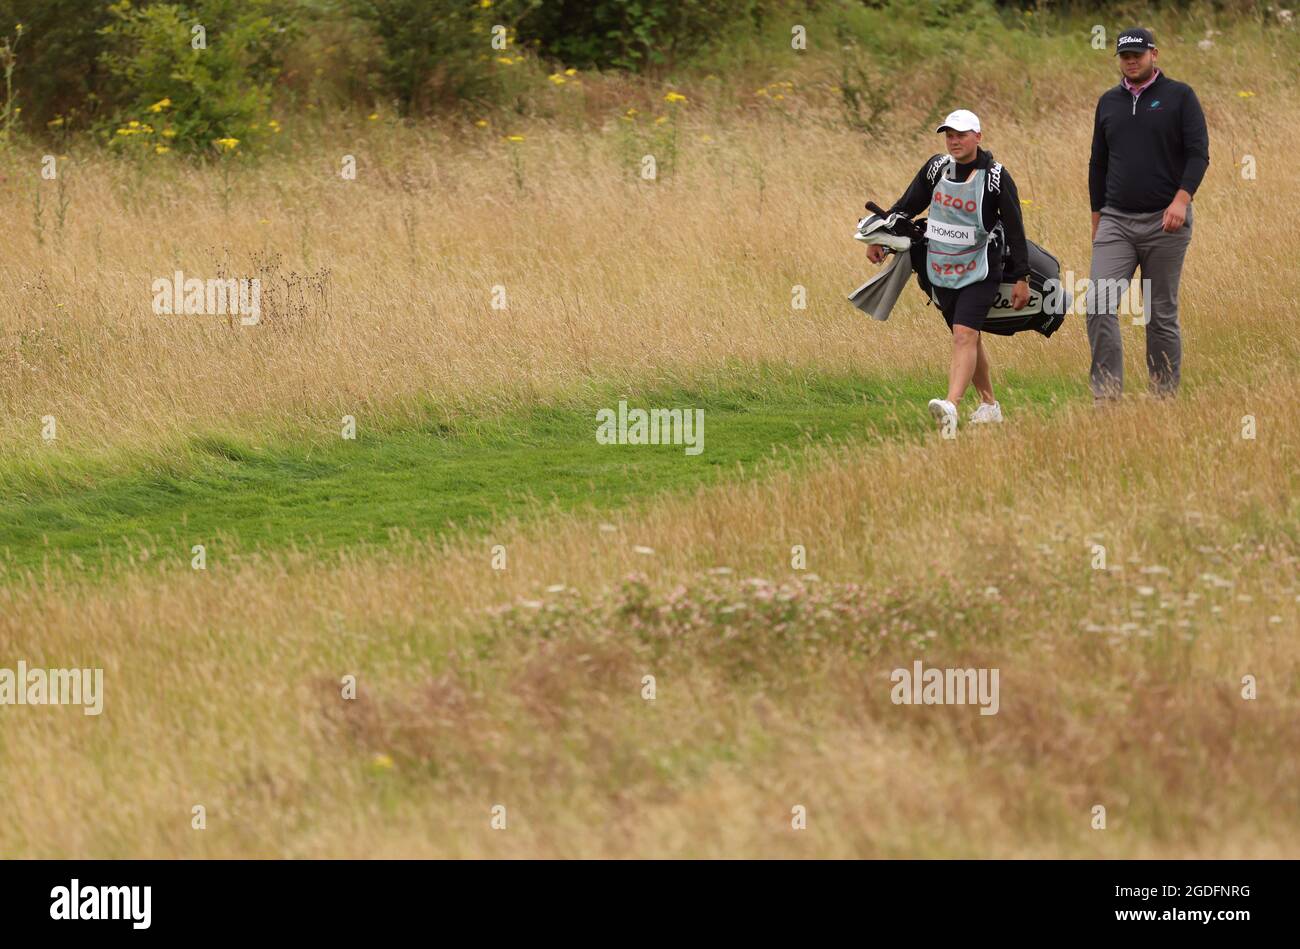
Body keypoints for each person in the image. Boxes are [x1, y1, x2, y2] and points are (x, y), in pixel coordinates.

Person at [866, 109, 1031, 432]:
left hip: (982, 268)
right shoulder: (936, 168)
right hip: (939, 269)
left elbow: (1015, 229)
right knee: (968, 336)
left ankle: (950, 406)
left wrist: (1021, 278)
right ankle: (989, 405)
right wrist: (880, 241)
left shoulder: (996, 177)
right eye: (949, 135)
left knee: (964, 335)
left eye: (961, 135)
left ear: (978, 137)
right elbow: (905, 207)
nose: (954, 141)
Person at [1086, 26, 1209, 400]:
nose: (1131, 60)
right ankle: (1107, 397)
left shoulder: (1180, 97)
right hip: (1116, 223)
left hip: (1165, 223)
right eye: (1125, 55)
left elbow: (1198, 153)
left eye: (1138, 53)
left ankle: (1163, 397)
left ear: (1154, 53)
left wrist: (1181, 200)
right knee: (1097, 304)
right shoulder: (1109, 102)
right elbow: (1098, 164)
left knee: (1159, 316)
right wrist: (1097, 219)